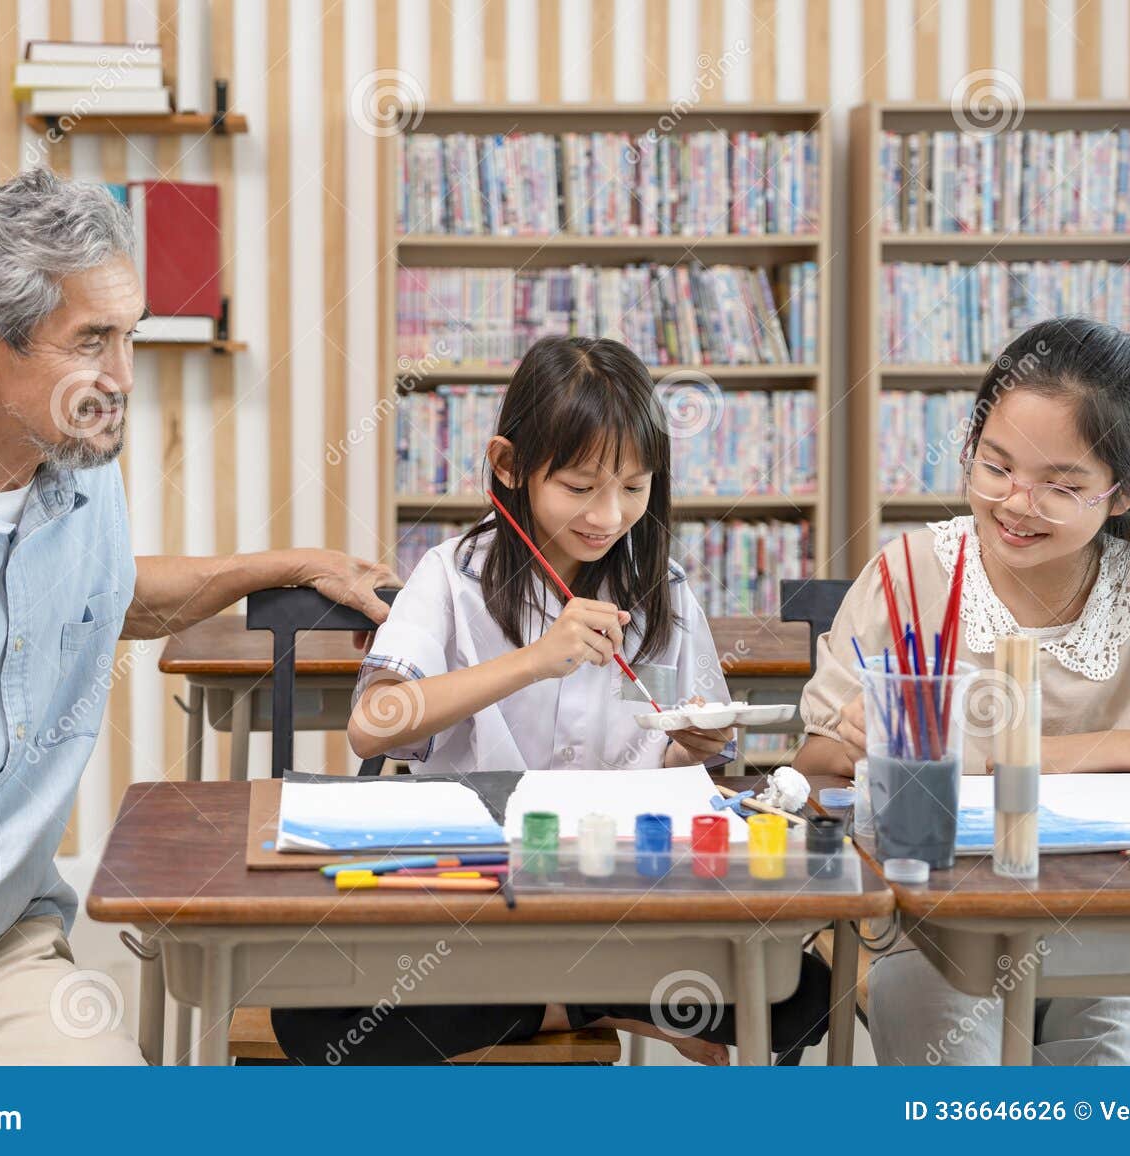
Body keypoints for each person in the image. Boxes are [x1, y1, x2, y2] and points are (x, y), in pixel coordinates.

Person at [0, 169, 396, 1066]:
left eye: (131, 337)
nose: (122, 378)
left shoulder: (71, 460)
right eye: (92, 341)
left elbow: (101, 595)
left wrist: (275, 566)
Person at [272, 336, 831, 1066]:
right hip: (478, 900)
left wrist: (694, 745)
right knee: (313, 1023)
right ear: (509, 465)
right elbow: (373, 726)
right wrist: (531, 662)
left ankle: (553, 996)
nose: (609, 514)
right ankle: (579, 999)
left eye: (633, 488)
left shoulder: (664, 589)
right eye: (578, 486)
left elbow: (686, 742)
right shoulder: (449, 577)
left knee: (806, 999)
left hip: (621, 893)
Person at [795, 316, 1130, 1065]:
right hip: (939, 939)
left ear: (1123, 494)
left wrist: (1085, 753)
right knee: (942, 1052)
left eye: (1062, 485)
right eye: (996, 466)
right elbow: (818, 769)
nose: (1018, 503)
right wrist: (854, 739)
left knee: (1122, 1050)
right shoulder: (908, 577)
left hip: (1129, 939)